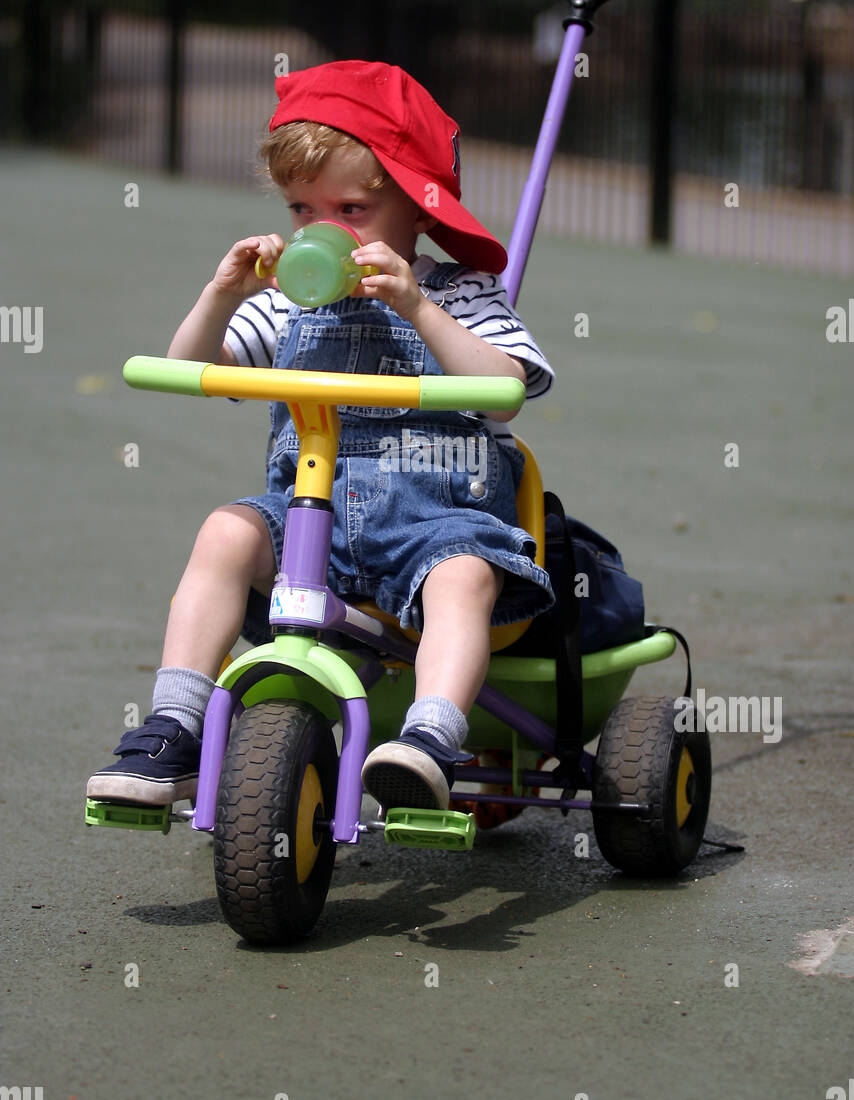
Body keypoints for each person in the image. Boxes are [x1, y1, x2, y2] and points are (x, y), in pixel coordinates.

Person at [87, 59, 555, 813]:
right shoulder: (287, 304)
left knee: (464, 576)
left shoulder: (458, 292)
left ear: (417, 208)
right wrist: (222, 295)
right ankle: (176, 726)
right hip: (312, 521)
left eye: (352, 208)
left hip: (435, 523)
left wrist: (418, 308)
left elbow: (506, 391)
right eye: (304, 210)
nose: (323, 229)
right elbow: (192, 367)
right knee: (224, 532)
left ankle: (431, 738)